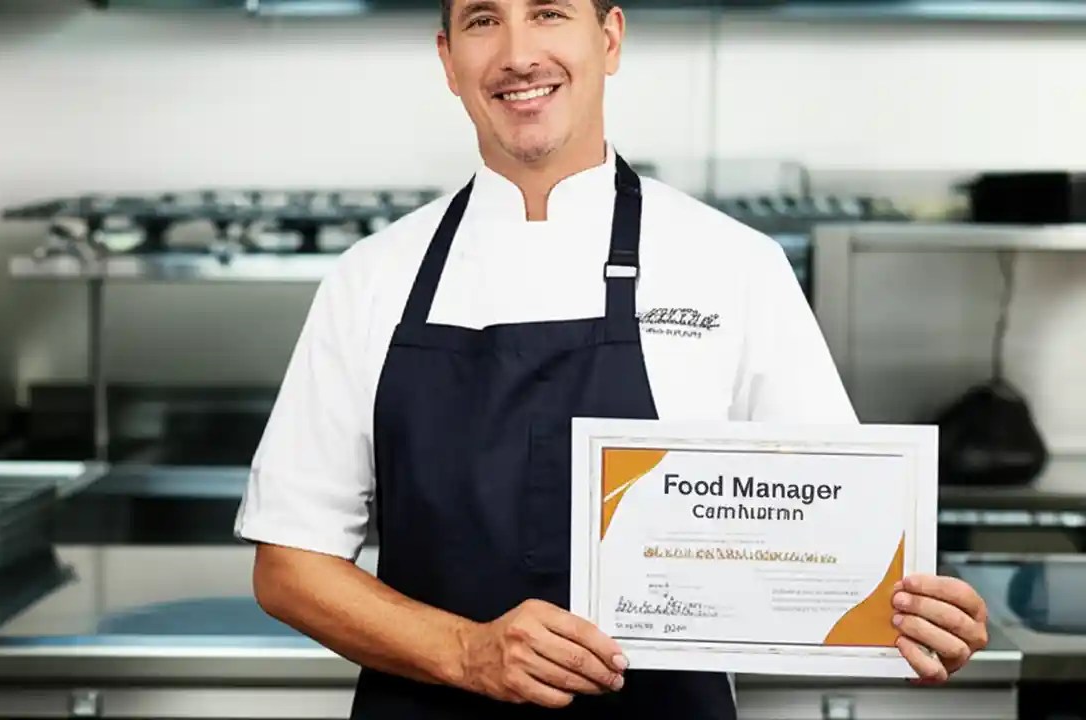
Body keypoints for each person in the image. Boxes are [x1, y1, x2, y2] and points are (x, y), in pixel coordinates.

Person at [233, 0, 990, 715]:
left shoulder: (733, 265)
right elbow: (290, 568)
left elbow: (840, 543)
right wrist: (467, 651)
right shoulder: (372, 277)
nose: (517, 53)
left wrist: (914, 614)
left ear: (610, 38)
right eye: (483, 20)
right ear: (448, 58)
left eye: (551, 12)